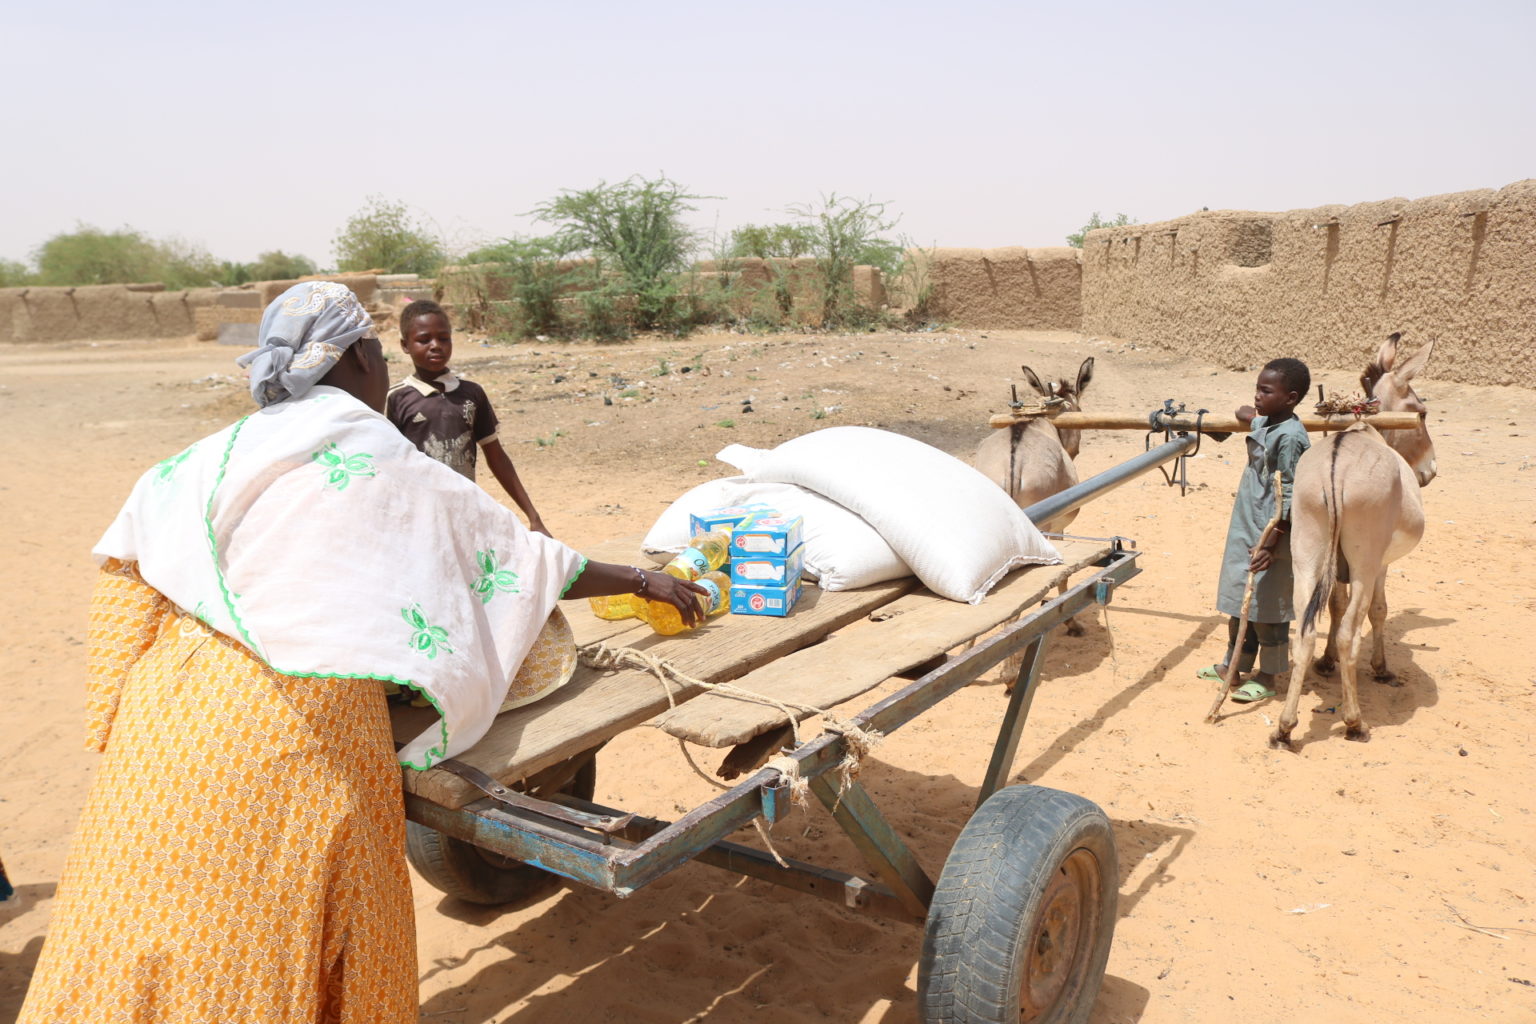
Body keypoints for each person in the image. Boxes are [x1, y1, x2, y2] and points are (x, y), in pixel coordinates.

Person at [18, 282, 705, 1024]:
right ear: (354, 358)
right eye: (376, 350)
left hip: (161, 725)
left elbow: (125, 583)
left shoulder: (215, 452)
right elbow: (516, 561)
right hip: (299, 735)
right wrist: (646, 580)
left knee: (130, 934)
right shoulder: (371, 448)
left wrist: (115, 723)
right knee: (288, 937)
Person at [1198, 357, 1312, 703]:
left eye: (1266, 390)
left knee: (1267, 606)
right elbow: (1247, 413)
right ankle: (1234, 665)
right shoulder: (1269, 422)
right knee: (1239, 598)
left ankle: (1268, 675)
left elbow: (1292, 492)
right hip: (1247, 524)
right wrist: (1250, 413)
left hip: (1271, 529)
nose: (1259, 395)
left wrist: (1273, 542)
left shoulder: (1291, 437)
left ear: (1290, 398)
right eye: (1258, 389)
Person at [387, 298, 550, 536]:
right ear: (405, 345)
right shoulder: (395, 399)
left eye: (444, 338)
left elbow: (496, 457)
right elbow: (385, 464)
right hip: (418, 517)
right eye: (424, 339)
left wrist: (533, 517)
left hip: (465, 513)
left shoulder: (471, 394)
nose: (435, 346)